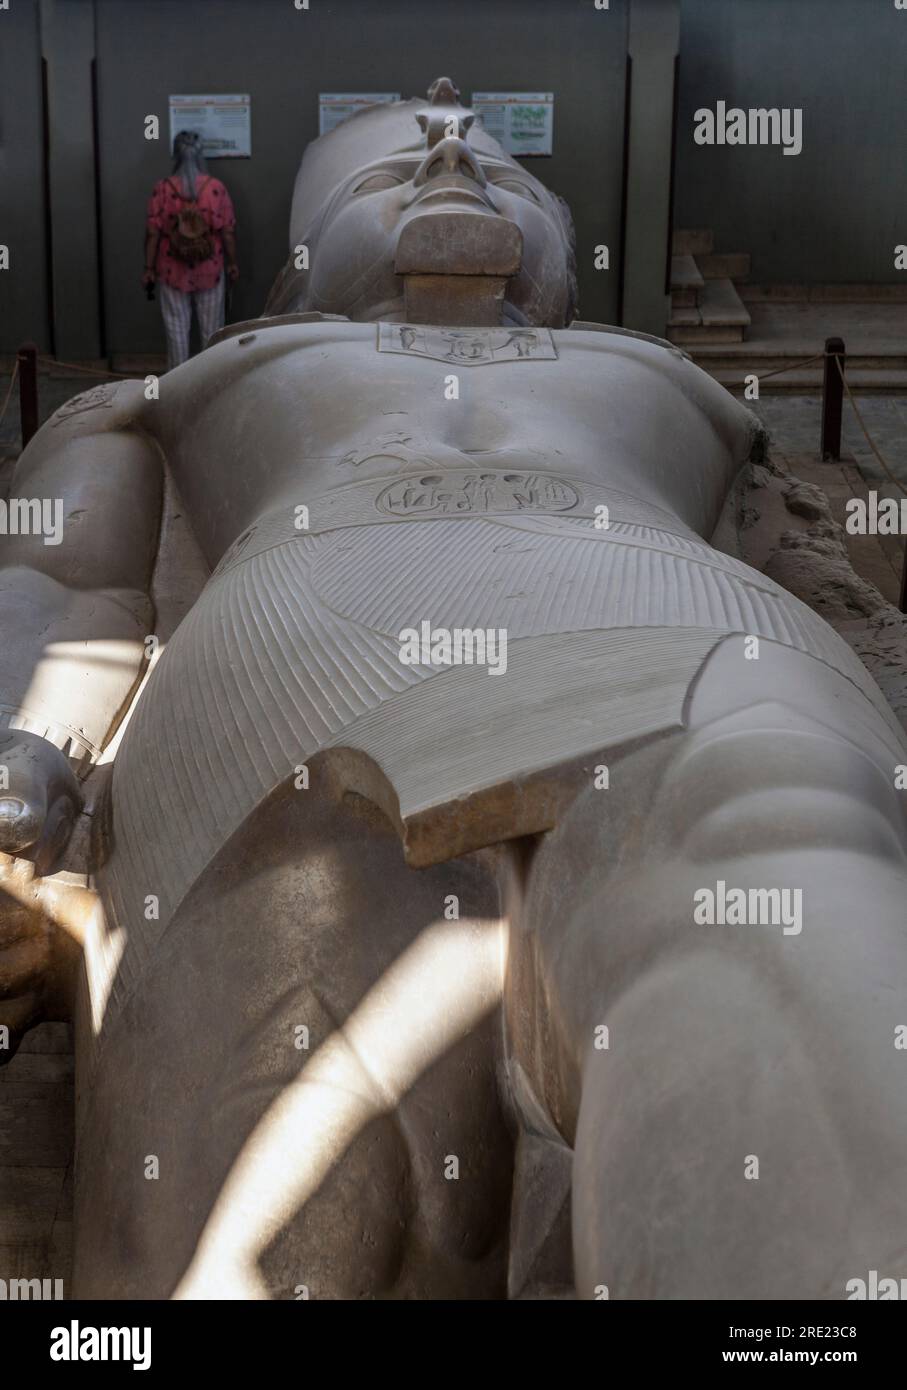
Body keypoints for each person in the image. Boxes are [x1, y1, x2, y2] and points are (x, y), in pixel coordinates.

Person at [142, 130, 238, 370]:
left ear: (175, 154)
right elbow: (227, 231)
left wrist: (148, 268)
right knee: (212, 331)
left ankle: (177, 389)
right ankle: (209, 384)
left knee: (176, 331)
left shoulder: (163, 189)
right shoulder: (215, 188)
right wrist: (233, 263)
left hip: (171, 268)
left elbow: (153, 232)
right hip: (210, 269)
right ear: (201, 154)